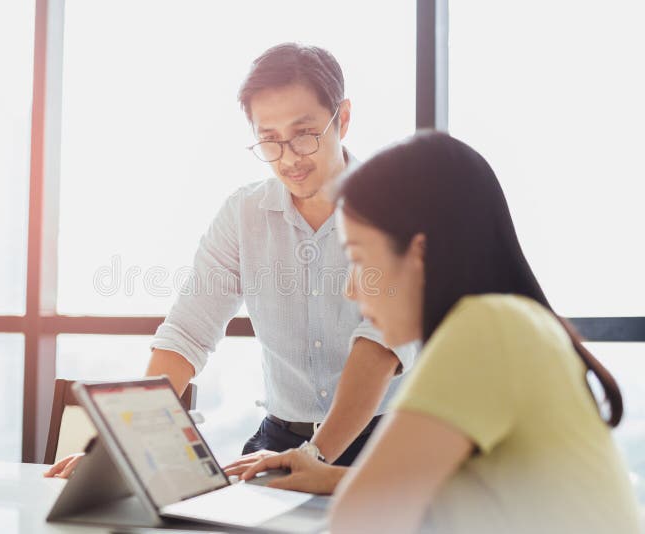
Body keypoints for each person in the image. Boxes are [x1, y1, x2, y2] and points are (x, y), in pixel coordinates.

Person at [45, 43, 418, 479]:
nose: (290, 157)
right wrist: (119, 446)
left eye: (304, 133)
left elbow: (381, 343)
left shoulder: (395, 209)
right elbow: (187, 332)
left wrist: (316, 455)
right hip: (280, 440)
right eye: (270, 140)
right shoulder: (244, 215)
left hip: (387, 444)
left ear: (344, 119)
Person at [241, 131, 641, 533]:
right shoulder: (514, 322)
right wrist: (328, 477)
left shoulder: (486, 329)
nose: (351, 289)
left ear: (419, 253)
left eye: (360, 260)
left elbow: (363, 516)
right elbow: (461, 492)